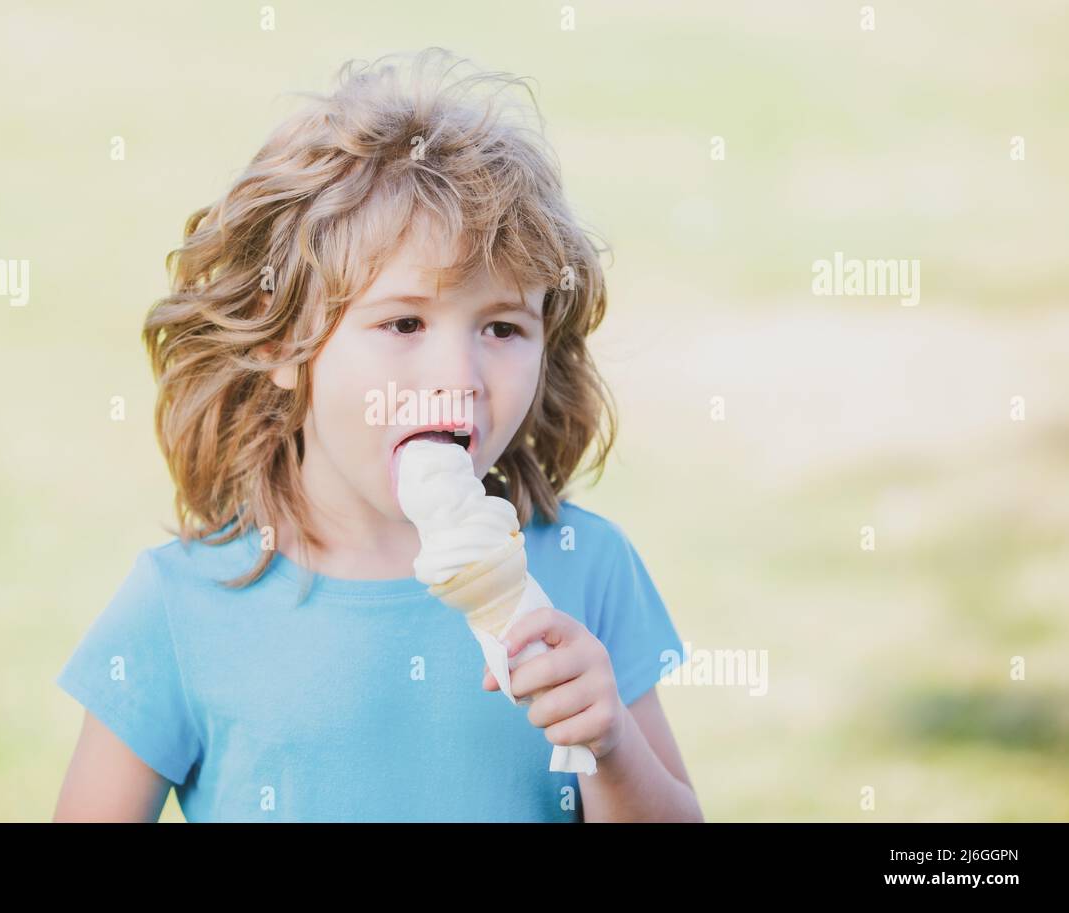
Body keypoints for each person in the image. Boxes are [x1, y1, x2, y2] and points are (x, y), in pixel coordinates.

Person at [53, 47, 701, 823]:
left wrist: (612, 744)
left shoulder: (586, 570)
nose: (455, 374)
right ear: (283, 342)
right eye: (403, 321)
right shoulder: (181, 608)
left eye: (502, 326)